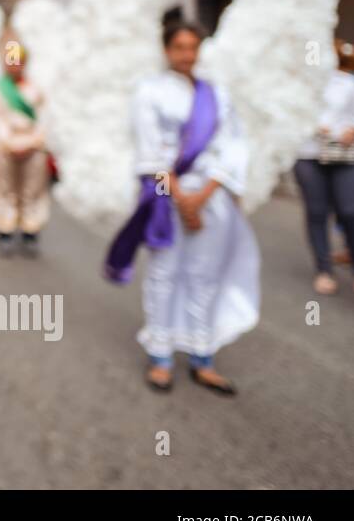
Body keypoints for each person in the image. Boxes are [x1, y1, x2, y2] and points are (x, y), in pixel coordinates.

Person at [105, 20, 259, 396]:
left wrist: (205, 194)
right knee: (164, 273)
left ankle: (202, 354)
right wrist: (181, 198)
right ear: (166, 49)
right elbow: (150, 149)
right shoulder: (149, 91)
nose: (187, 55)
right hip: (165, 195)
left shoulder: (216, 94)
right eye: (180, 47)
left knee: (204, 275)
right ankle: (160, 354)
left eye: (193, 47)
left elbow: (232, 145)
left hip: (211, 197)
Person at [292, 40, 354, 297]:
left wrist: (353, 129)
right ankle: (324, 269)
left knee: (351, 211)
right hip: (308, 155)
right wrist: (312, 125)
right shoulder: (298, 83)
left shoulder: (347, 82)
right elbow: (285, 116)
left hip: (343, 155)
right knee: (317, 212)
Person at [0, 42, 48, 255]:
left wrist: (33, 141)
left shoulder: (36, 89)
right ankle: (5, 230)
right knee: (5, 189)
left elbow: (45, 118)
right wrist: (8, 141)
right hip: (6, 146)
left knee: (32, 189)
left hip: (33, 146)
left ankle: (31, 230)